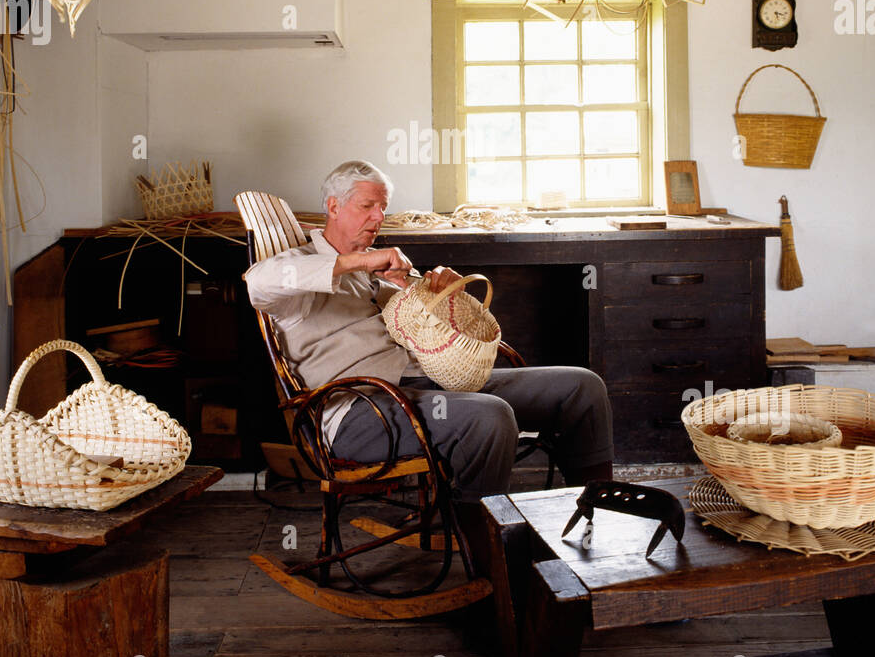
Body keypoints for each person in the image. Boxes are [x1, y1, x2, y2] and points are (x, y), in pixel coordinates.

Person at [243, 160, 613, 514]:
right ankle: (485, 540)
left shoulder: (378, 268)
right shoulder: (301, 274)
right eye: (367, 205)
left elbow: (429, 326)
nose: (378, 217)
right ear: (334, 206)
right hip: (358, 412)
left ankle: (596, 510)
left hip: (423, 385)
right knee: (489, 417)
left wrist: (441, 291)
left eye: (382, 207)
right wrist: (361, 261)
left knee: (581, 387)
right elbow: (258, 282)